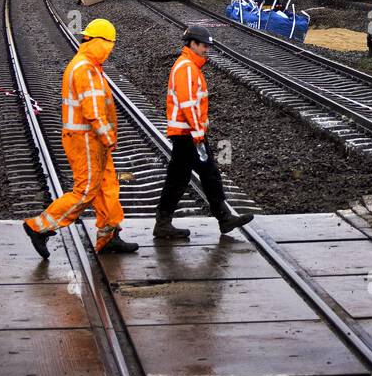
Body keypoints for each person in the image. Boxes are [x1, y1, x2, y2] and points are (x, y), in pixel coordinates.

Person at [23, 18, 138, 259]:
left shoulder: (89, 65)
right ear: (100, 42)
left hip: (92, 140)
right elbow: (93, 108)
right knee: (85, 191)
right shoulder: (85, 68)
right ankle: (38, 227)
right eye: (110, 45)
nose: (110, 50)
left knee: (107, 187)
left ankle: (108, 236)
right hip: (86, 139)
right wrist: (107, 136)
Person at [154, 22, 253, 240]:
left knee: (197, 175)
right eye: (204, 46)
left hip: (189, 134)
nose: (206, 49)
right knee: (193, 176)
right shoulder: (186, 68)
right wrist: (199, 135)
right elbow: (188, 104)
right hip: (188, 135)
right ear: (193, 44)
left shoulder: (190, 66)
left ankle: (220, 217)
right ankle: (167, 222)